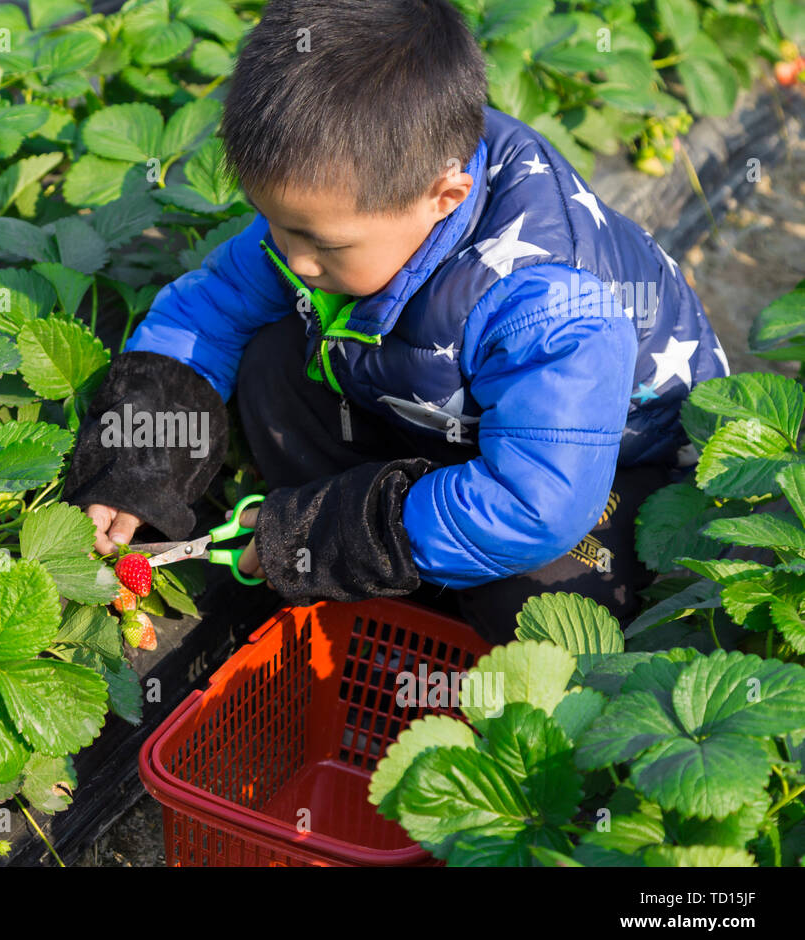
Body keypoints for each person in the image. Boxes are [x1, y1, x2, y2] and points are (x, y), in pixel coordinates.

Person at [60, 0, 729, 646]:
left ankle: (413, 586)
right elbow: (205, 312)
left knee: (530, 602)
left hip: (610, 473)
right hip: (451, 416)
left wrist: (324, 535)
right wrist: (139, 466)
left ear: (445, 197)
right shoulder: (361, 187)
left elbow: (538, 503)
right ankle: (391, 568)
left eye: (320, 242)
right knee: (271, 363)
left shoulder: (546, 308)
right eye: (277, 224)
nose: (292, 258)